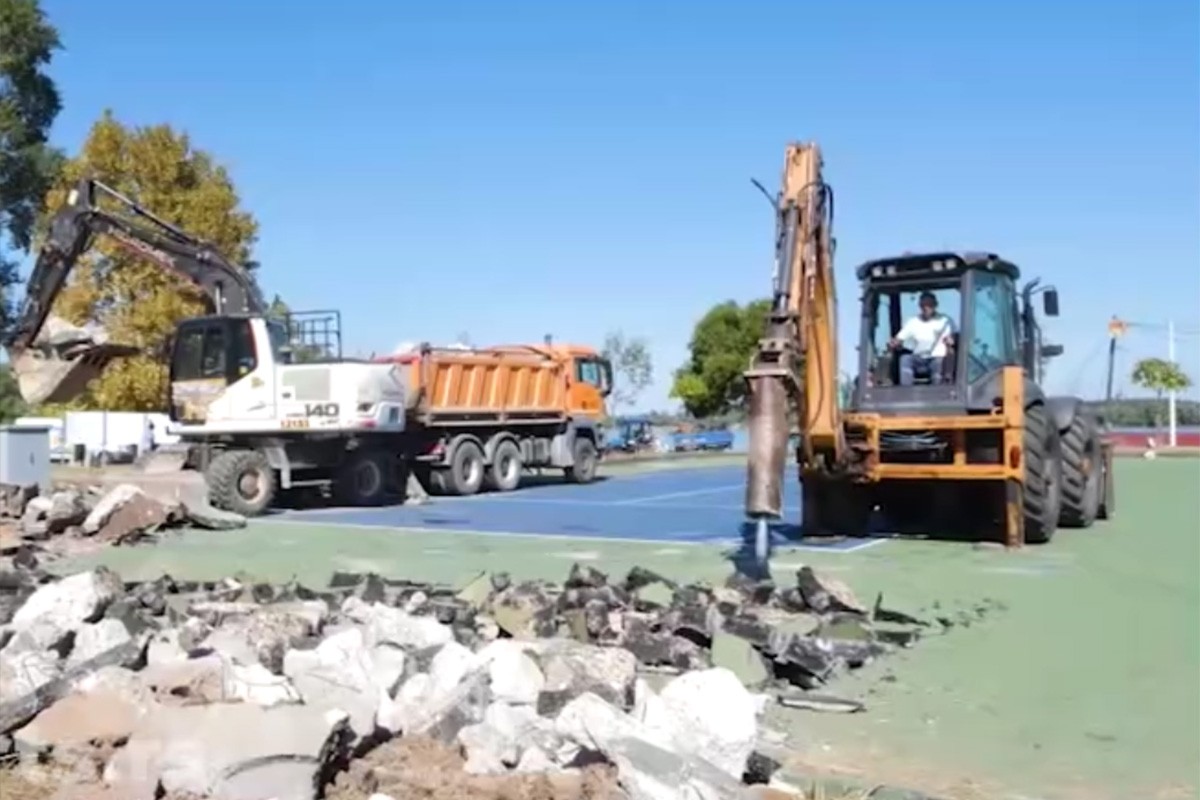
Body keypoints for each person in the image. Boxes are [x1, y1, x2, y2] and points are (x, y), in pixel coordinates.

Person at [888, 291, 955, 385]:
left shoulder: (945, 321)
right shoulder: (913, 322)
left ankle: (938, 391)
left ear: (935, 305)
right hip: (918, 358)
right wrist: (894, 343)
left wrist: (950, 341)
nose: (926, 307)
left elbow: (951, 338)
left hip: (936, 358)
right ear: (920, 306)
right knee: (905, 359)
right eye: (923, 305)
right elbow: (899, 338)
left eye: (929, 304)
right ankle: (906, 391)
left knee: (939, 363)